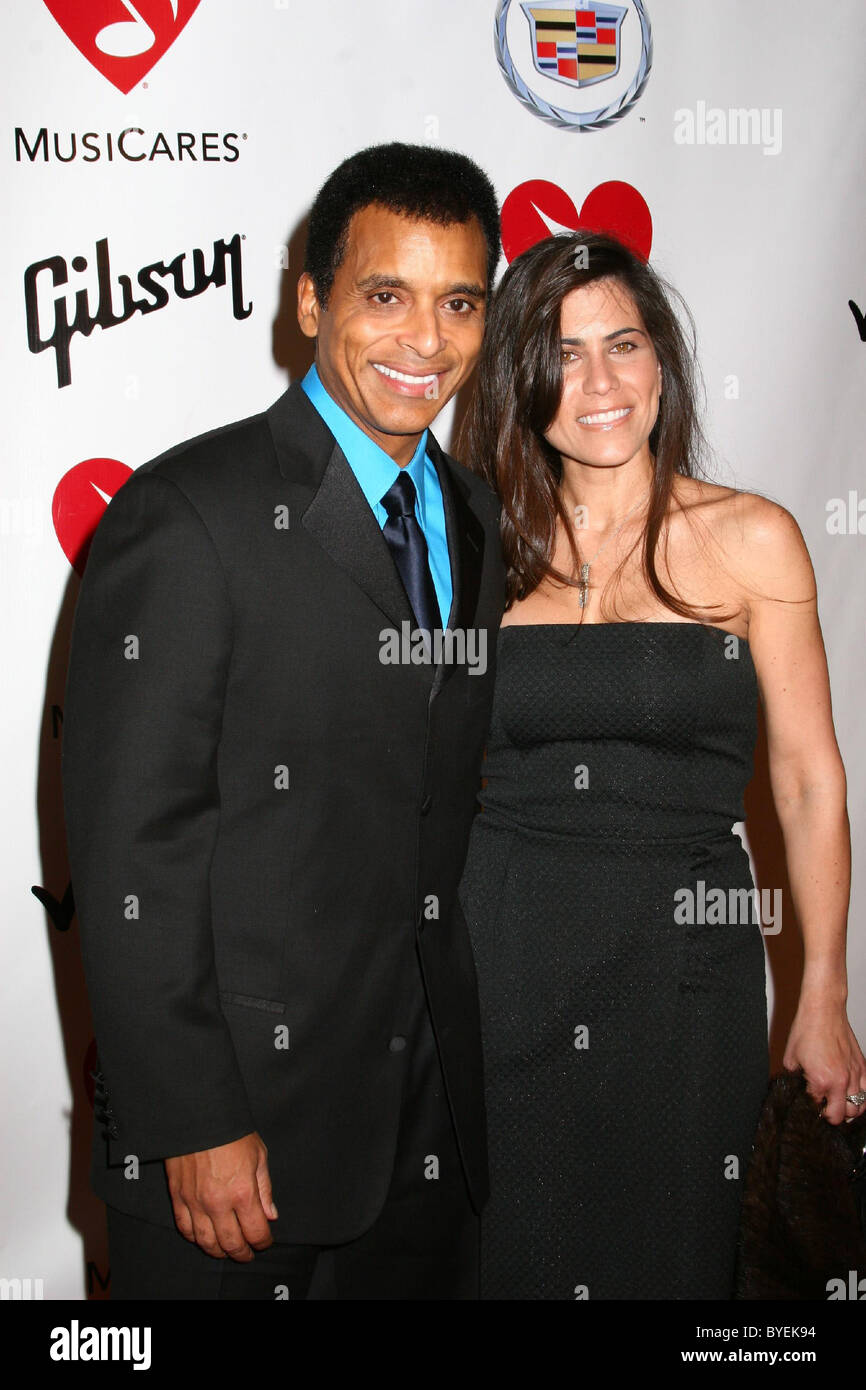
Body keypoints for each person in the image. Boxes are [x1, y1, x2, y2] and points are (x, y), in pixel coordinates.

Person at [61, 141, 506, 1300]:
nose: (424, 339)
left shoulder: (472, 512)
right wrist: (190, 1119)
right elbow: (131, 850)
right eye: (384, 295)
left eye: (458, 301)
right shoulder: (186, 514)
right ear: (310, 301)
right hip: (235, 1143)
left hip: (424, 1131)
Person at [457, 229, 866, 1300]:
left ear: (661, 363)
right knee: (509, 1254)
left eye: (622, 344)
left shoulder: (750, 540)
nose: (597, 381)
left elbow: (807, 782)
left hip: (683, 968)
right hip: (502, 955)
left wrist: (819, 987)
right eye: (562, 350)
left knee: (676, 1256)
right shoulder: (472, 556)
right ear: (518, 379)